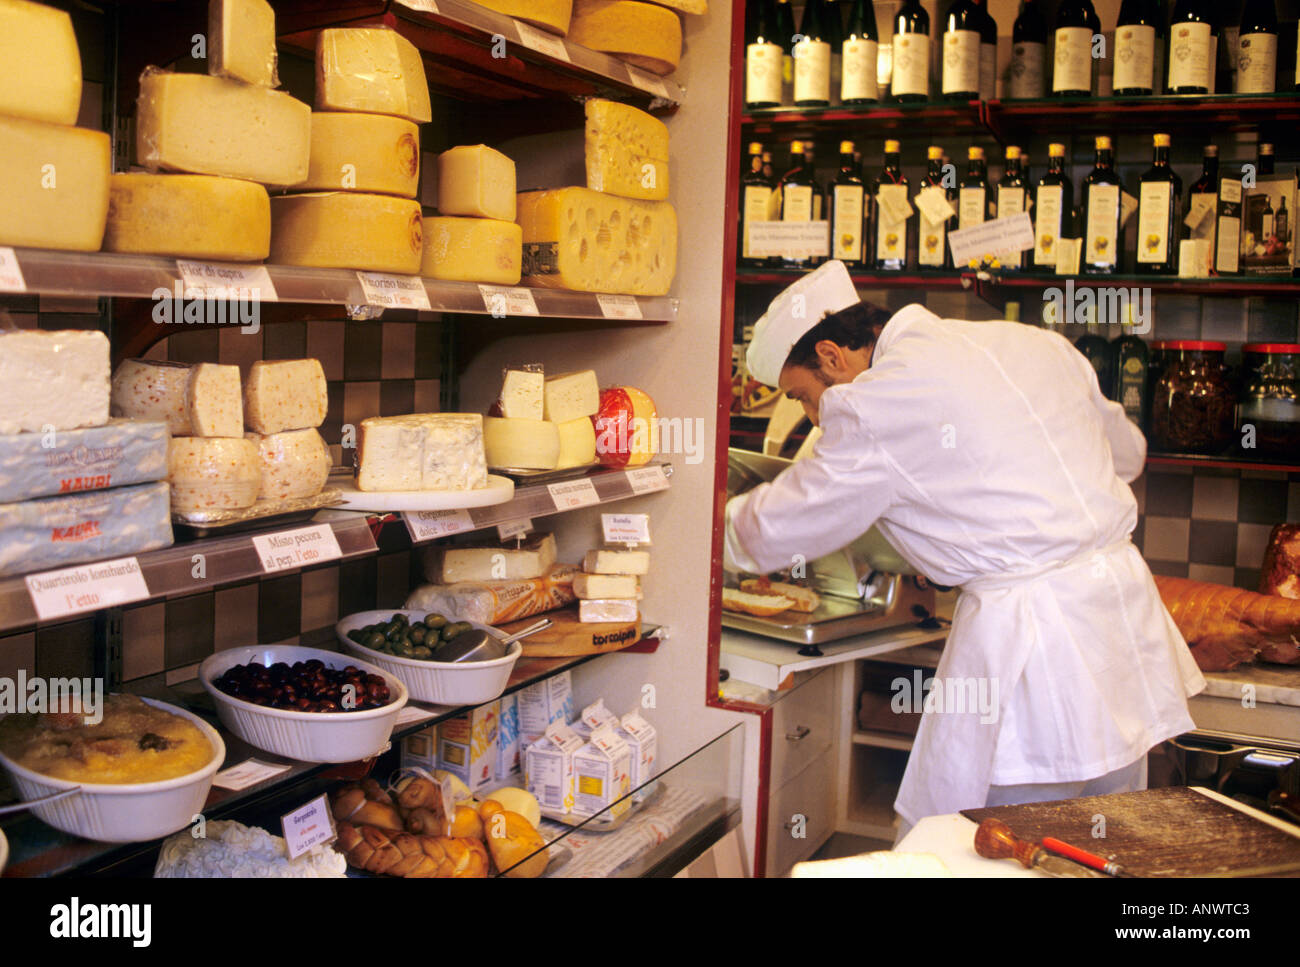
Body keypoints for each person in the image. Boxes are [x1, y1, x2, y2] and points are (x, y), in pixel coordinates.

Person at [723, 260, 1206, 843]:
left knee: (964, 845)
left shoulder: (879, 397)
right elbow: (1128, 455)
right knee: (1095, 846)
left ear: (832, 356)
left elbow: (779, 528)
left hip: (1032, 650)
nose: (812, 418)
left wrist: (704, 528)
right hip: (1125, 631)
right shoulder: (1037, 343)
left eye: (803, 396)